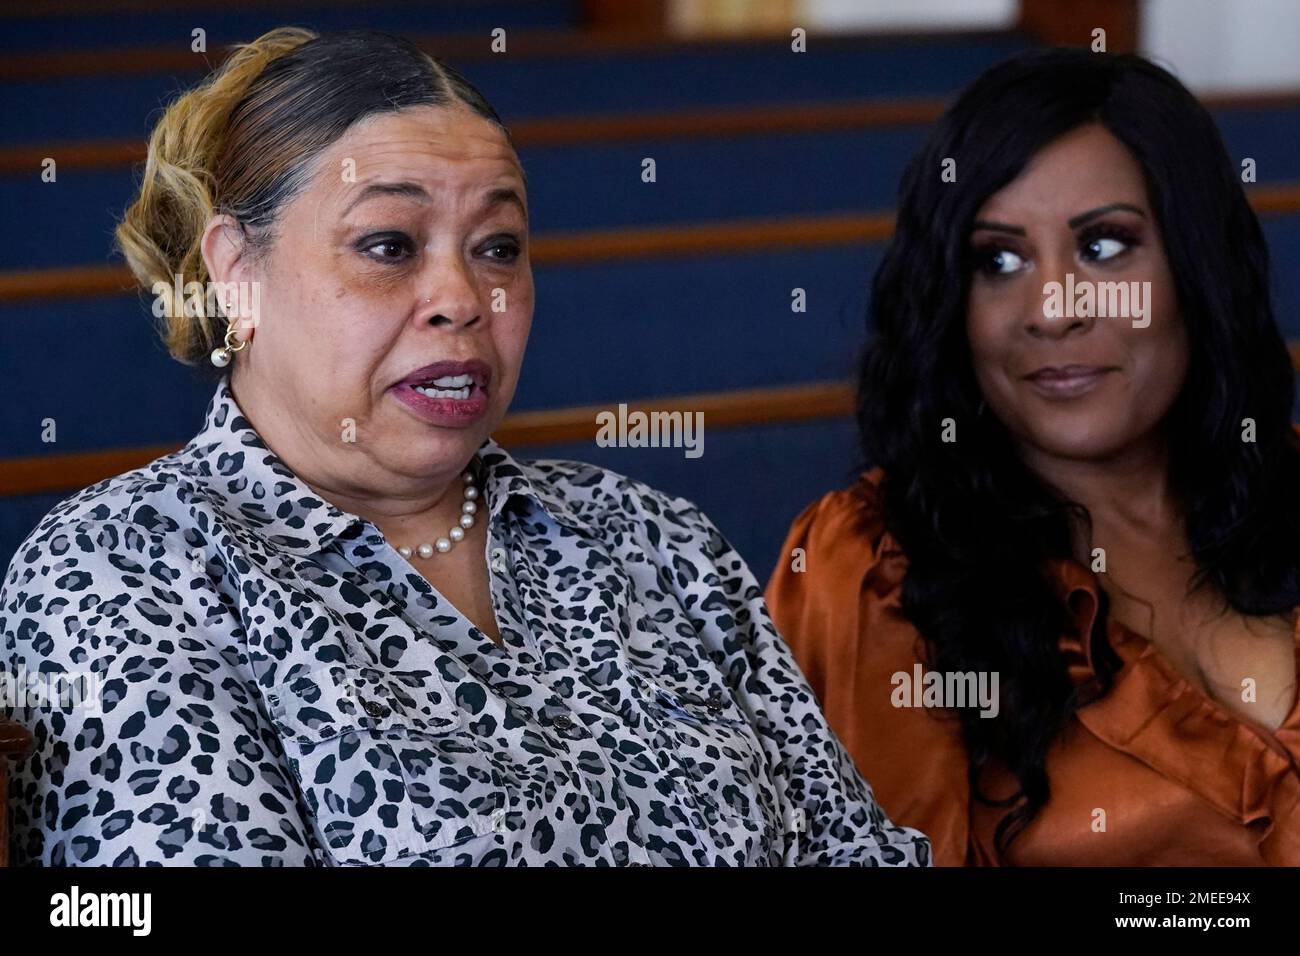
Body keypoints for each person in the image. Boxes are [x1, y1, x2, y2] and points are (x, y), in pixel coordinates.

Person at [0, 27, 928, 867]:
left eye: (497, 247)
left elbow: (856, 850)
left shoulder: (650, 535)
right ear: (236, 273)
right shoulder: (122, 567)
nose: (464, 299)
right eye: (390, 244)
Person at [767, 47, 1300, 865]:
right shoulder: (874, 573)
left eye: (1106, 247)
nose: (1052, 310)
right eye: (999, 261)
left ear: (1197, 270)